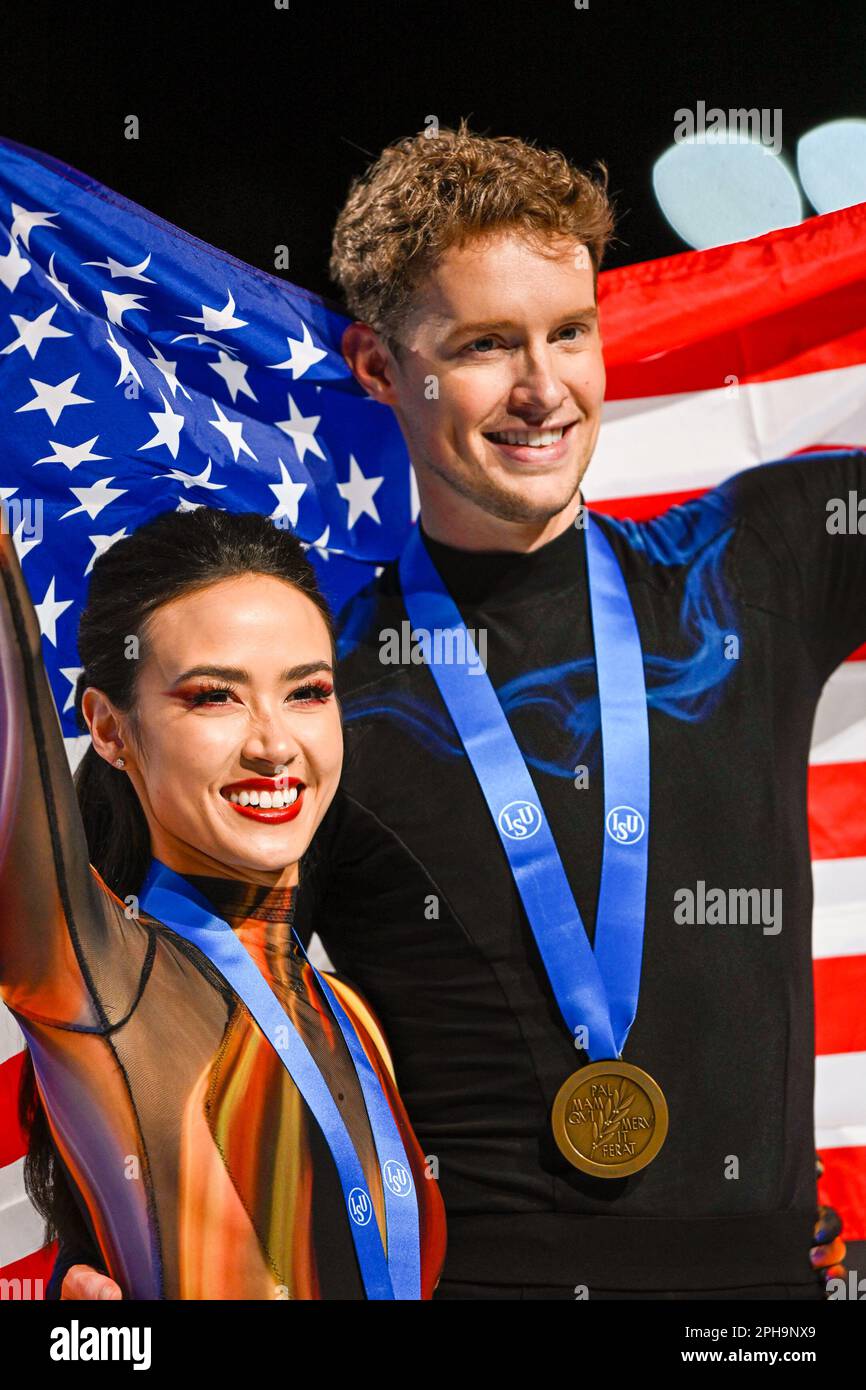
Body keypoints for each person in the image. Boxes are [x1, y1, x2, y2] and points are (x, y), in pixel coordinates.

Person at [54, 120, 857, 1301]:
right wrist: (109, 1266)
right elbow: (175, 1002)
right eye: (486, 344)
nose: (543, 388)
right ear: (379, 367)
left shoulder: (755, 562)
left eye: (568, 333)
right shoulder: (320, 687)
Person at [2, 506, 445, 1299]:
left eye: (308, 692)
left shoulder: (351, 1013)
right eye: (215, 697)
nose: (274, 744)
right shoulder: (104, 980)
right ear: (108, 728)